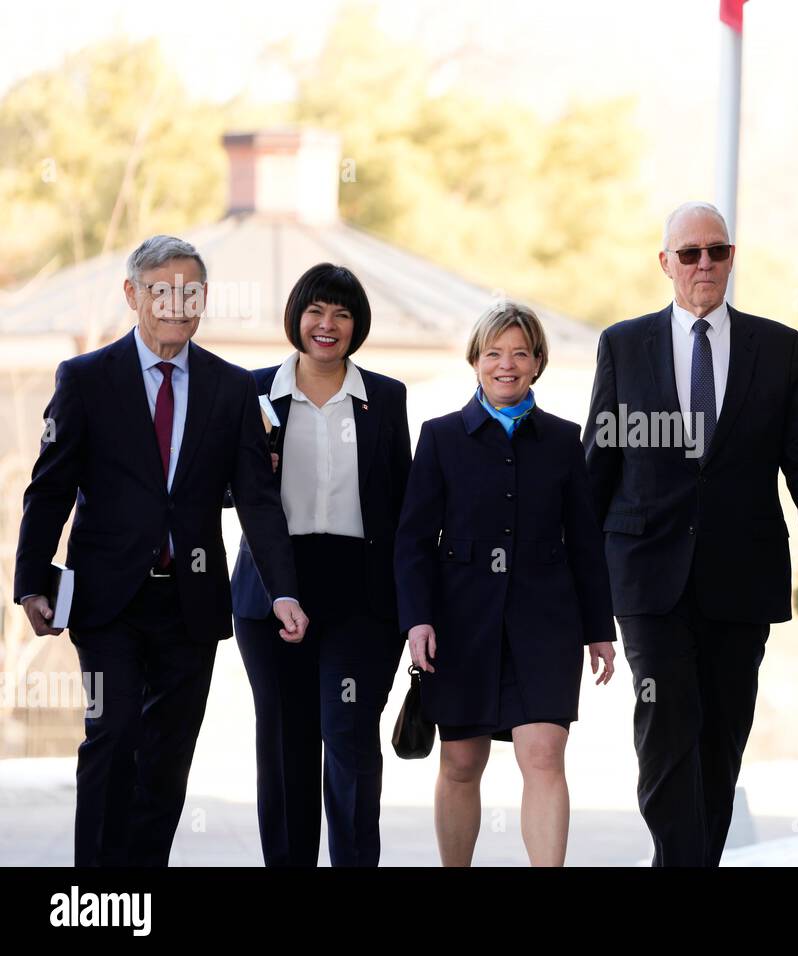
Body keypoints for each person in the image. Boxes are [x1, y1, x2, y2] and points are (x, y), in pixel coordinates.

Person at [13, 235, 306, 866]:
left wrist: (283, 588)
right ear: (132, 295)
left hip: (191, 603)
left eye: (190, 292)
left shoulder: (230, 389)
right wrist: (32, 581)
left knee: (167, 760)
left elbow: (256, 499)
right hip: (105, 599)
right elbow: (51, 483)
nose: (176, 304)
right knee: (111, 736)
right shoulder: (87, 379)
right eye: (161, 291)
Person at [583, 201, 798, 867]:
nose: (705, 264)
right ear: (664, 263)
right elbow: (599, 462)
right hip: (645, 571)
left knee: (721, 737)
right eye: (690, 253)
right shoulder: (623, 344)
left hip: (742, 573)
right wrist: (578, 578)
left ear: (731, 258)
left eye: (717, 251)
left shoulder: (779, 348)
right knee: (666, 727)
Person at [395, 301, 617, 867]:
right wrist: (417, 618)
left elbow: (586, 543)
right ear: (475, 360)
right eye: (493, 352)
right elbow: (414, 540)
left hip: (546, 625)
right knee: (462, 763)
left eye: (520, 353)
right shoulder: (440, 437)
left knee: (544, 756)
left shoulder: (565, 441)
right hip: (460, 623)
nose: (506, 364)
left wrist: (599, 629)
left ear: (538, 362)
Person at [230, 263, 410, 867]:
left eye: (342, 314)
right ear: (296, 318)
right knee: (286, 747)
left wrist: (414, 606)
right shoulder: (252, 391)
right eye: (316, 311)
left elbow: (399, 505)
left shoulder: (386, 398)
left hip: (360, 593)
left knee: (351, 740)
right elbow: (230, 492)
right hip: (272, 587)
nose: (327, 325)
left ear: (356, 325)